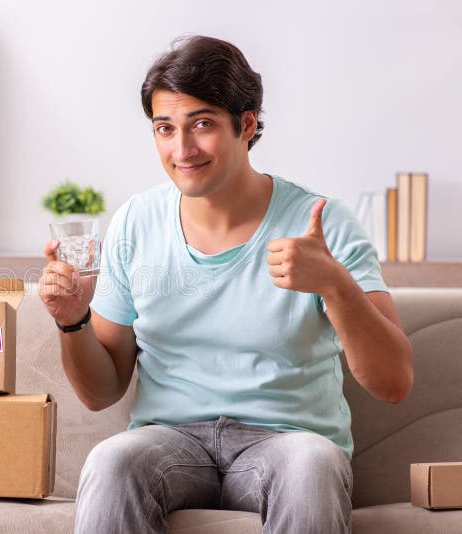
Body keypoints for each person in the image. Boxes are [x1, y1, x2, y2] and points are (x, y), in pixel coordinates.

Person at [38, 35, 413, 534]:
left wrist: (335, 285)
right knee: (110, 463)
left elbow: (394, 383)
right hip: (170, 443)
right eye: (165, 128)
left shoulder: (321, 223)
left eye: (203, 124)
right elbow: (101, 392)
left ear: (247, 125)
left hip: (287, 442)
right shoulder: (135, 222)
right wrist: (73, 322)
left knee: (312, 466)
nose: (182, 149)